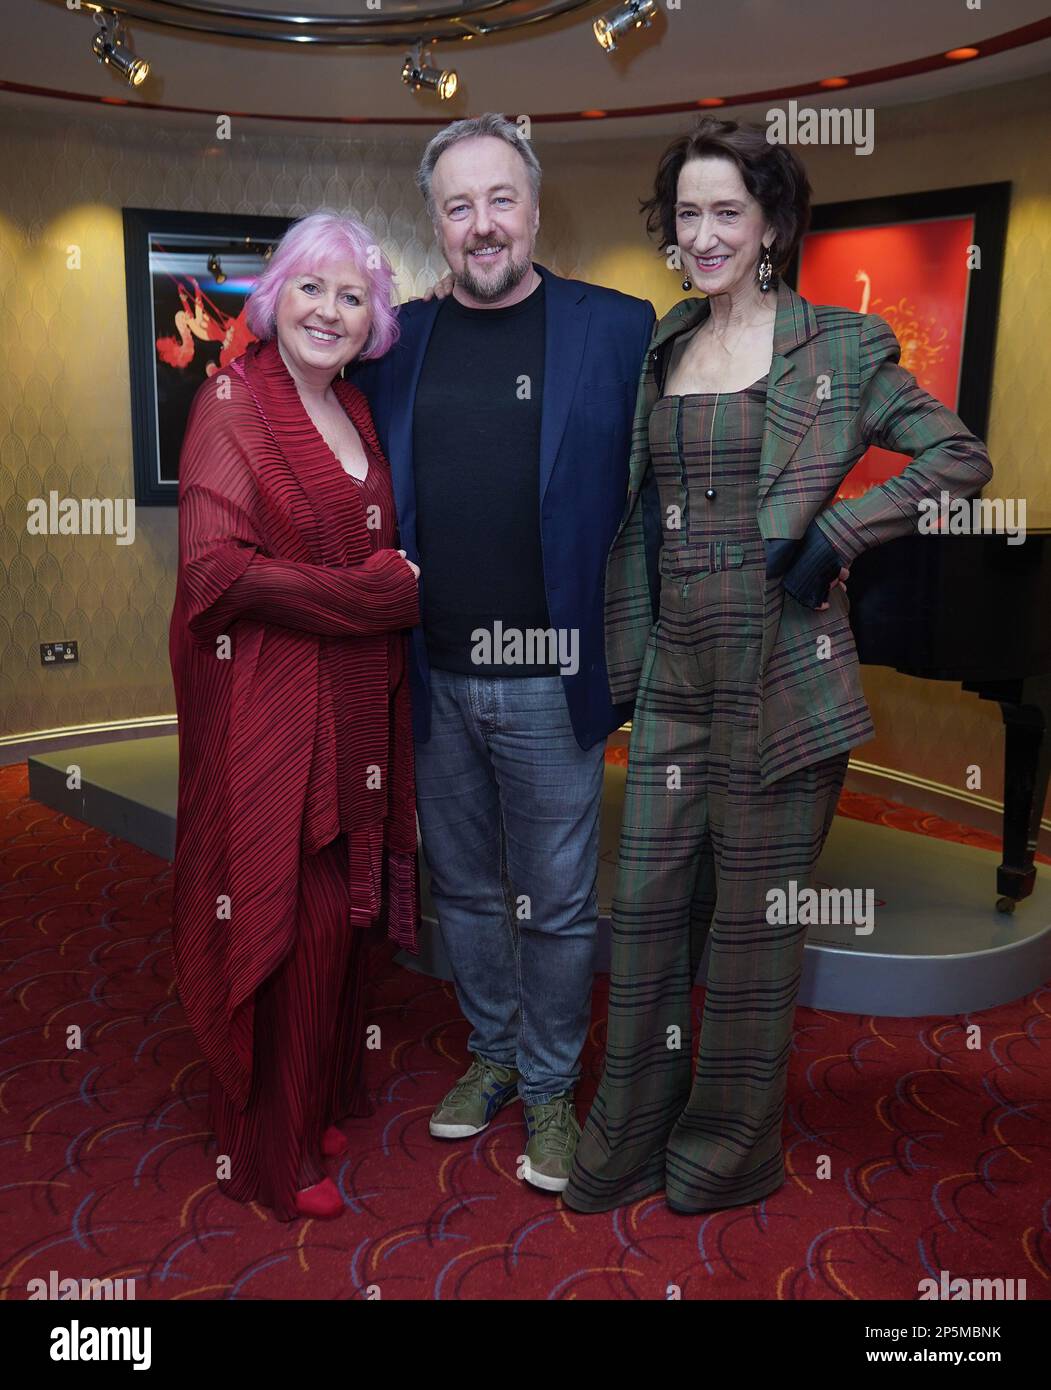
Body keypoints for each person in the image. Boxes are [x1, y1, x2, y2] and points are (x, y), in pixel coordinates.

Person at [563, 116, 994, 1215]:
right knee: (648, 911)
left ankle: (723, 1150)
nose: (702, 235)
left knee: (754, 935)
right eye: (686, 215)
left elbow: (959, 456)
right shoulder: (666, 341)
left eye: (725, 213)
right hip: (672, 675)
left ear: (771, 225)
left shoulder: (840, 349)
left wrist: (843, 534)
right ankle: (623, 1135)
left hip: (781, 679)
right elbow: (639, 516)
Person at [352, 113, 655, 1192]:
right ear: (435, 221)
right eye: (458, 205)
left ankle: (546, 1088)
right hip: (431, 678)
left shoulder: (618, 329)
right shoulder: (399, 345)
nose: (482, 224)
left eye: (500, 200)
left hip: (550, 678)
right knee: (468, 892)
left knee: (559, 901)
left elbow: (663, 489)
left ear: (535, 207)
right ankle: (489, 1055)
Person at [169, 211, 420, 1222]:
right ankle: (268, 1152)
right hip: (274, 716)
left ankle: (312, 1099)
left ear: (372, 323)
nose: (329, 310)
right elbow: (213, 573)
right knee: (295, 917)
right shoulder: (231, 403)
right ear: (276, 298)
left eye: (351, 296)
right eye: (311, 288)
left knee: (343, 920)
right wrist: (373, 597)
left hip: (356, 708)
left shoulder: (356, 410)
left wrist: (368, 603)